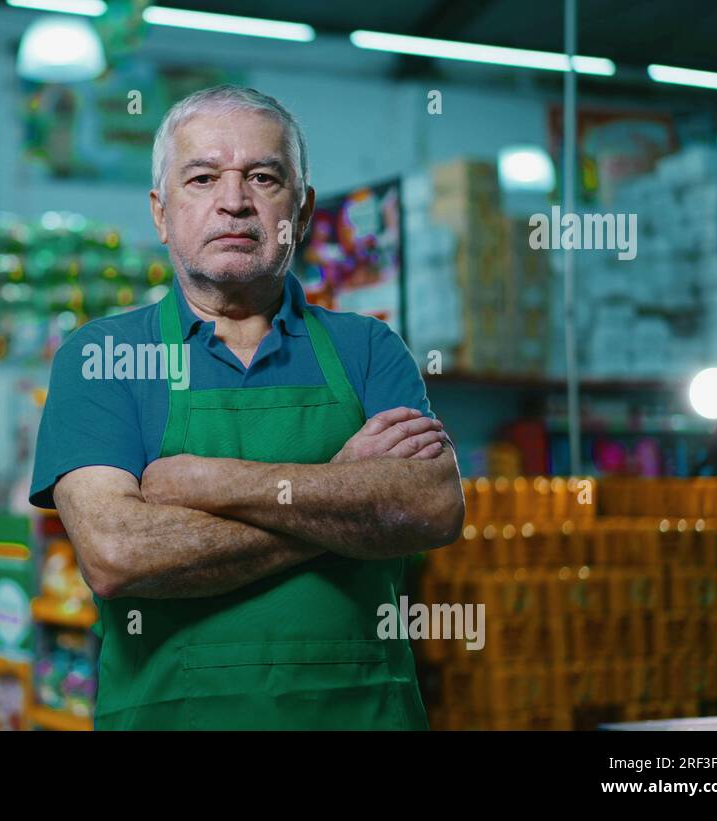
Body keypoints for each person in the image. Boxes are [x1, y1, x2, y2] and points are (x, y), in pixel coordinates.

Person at [29, 85, 464, 730]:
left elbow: (430, 507)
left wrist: (209, 481)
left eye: (263, 177)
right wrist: (347, 496)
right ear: (161, 212)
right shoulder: (104, 354)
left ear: (304, 208)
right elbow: (117, 552)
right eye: (202, 178)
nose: (234, 201)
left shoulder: (369, 347)